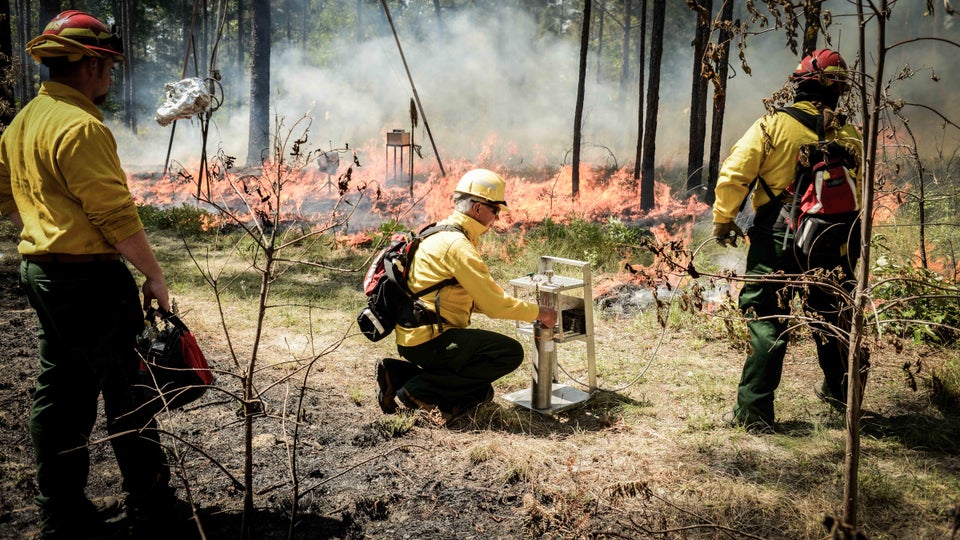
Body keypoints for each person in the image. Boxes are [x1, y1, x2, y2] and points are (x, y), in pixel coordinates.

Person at [0, 10, 177, 538]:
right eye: (107, 66)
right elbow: (116, 215)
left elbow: (4, 195)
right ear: (88, 64)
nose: (110, 77)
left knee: (61, 390)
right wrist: (154, 275)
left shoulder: (23, 121)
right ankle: (151, 504)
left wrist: (42, 227)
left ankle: (63, 509)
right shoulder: (80, 127)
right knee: (129, 391)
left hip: (43, 273)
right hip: (90, 281)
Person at [711, 49, 865, 432]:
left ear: (798, 85)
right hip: (835, 242)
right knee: (833, 318)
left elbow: (734, 174)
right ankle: (845, 401)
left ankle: (754, 413)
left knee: (767, 318)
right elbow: (855, 191)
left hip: (779, 239)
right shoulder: (849, 134)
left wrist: (723, 219)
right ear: (839, 89)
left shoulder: (773, 125)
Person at [375, 168, 558, 418]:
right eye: (495, 210)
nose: (496, 217)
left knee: (480, 393)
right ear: (478, 208)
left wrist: (513, 306)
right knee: (508, 353)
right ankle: (418, 391)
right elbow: (494, 306)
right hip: (430, 340)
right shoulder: (458, 245)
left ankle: (396, 375)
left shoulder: (439, 231)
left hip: (412, 338)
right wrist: (540, 312)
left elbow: (470, 297)